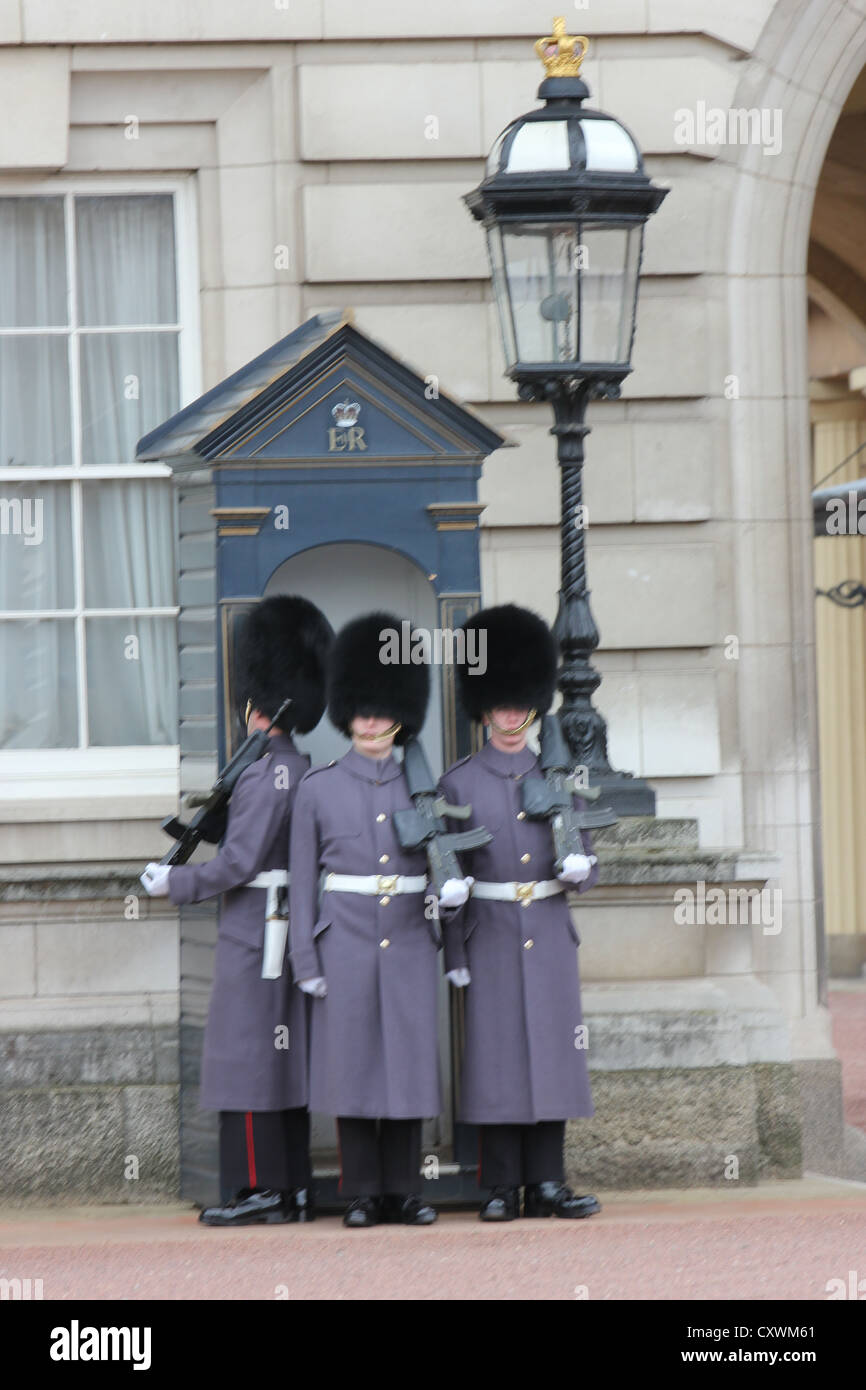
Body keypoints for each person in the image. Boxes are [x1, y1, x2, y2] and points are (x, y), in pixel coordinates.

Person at [140, 595, 333, 1225]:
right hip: (288, 926)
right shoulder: (297, 765)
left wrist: (176, 882)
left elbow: (241, 863)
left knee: (247, 1057)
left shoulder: (262, 775)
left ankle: (258, 1191)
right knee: (283, 1059)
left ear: (254, 704)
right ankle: (295, 1188)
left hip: (256, 928)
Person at [289, 611, 460, 1228]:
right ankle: (360, 1191)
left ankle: (406, 1190)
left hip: (411, 935)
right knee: (353, 1065)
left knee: (408, 1062)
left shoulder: (425, 788)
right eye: (361, 710)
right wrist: (305, 961)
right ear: (347, 713)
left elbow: (442, 865)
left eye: (382, 710)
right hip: (346, 939)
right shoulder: (318, 787)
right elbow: (305, 880)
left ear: (399, 715)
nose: (371, 721)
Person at [439, 603, 601, 1221]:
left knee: (553, 1053)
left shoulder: (557, 776)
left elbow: (584, 855)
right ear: (484, 709)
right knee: (498, 1056)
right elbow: (450, 875)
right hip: (492, 931)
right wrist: (454, 951)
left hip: (550, 930)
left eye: (520, 704)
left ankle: (549, 1182)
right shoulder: (458, 784)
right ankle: (501, 1185)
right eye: (501, 705)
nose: (511, 716)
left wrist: (581, 870)